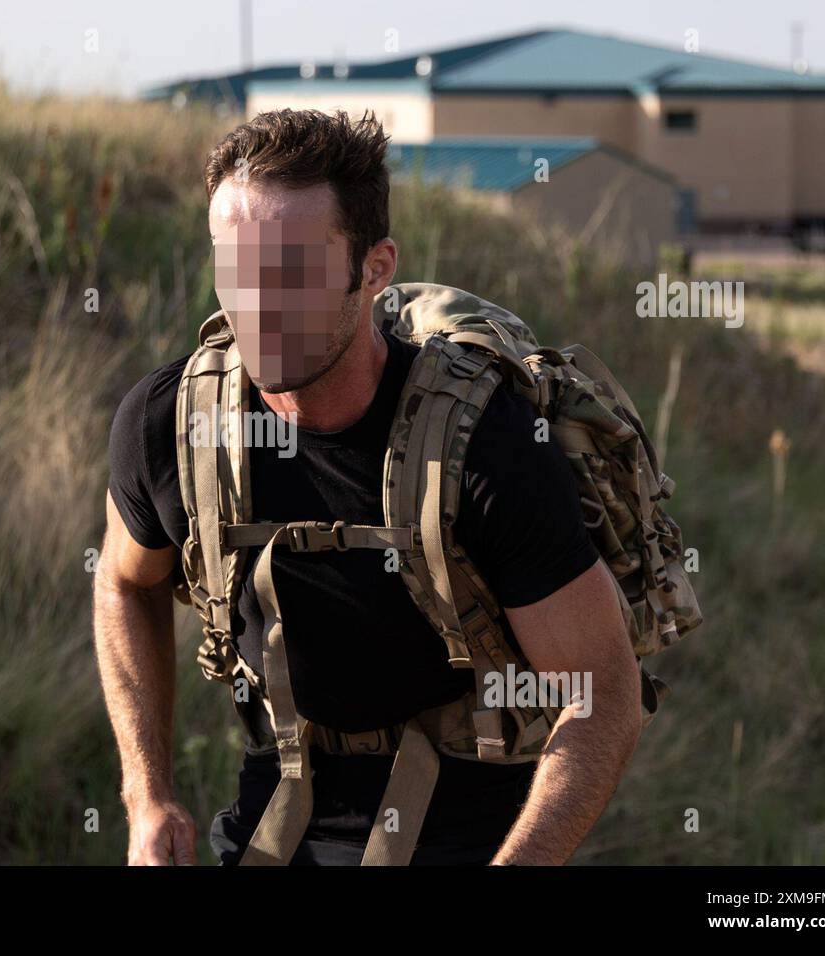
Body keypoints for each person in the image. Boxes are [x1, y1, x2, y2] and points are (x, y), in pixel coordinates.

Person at [93, 108, 642, 866]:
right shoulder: (171, 424)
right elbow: (124, 583)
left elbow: (602, 695)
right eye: (234, 266)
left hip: (472, 831)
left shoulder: (489, 449)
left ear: (375, 269)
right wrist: (146, 795)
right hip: (274, 817)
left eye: (290, 269)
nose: (255, 303)